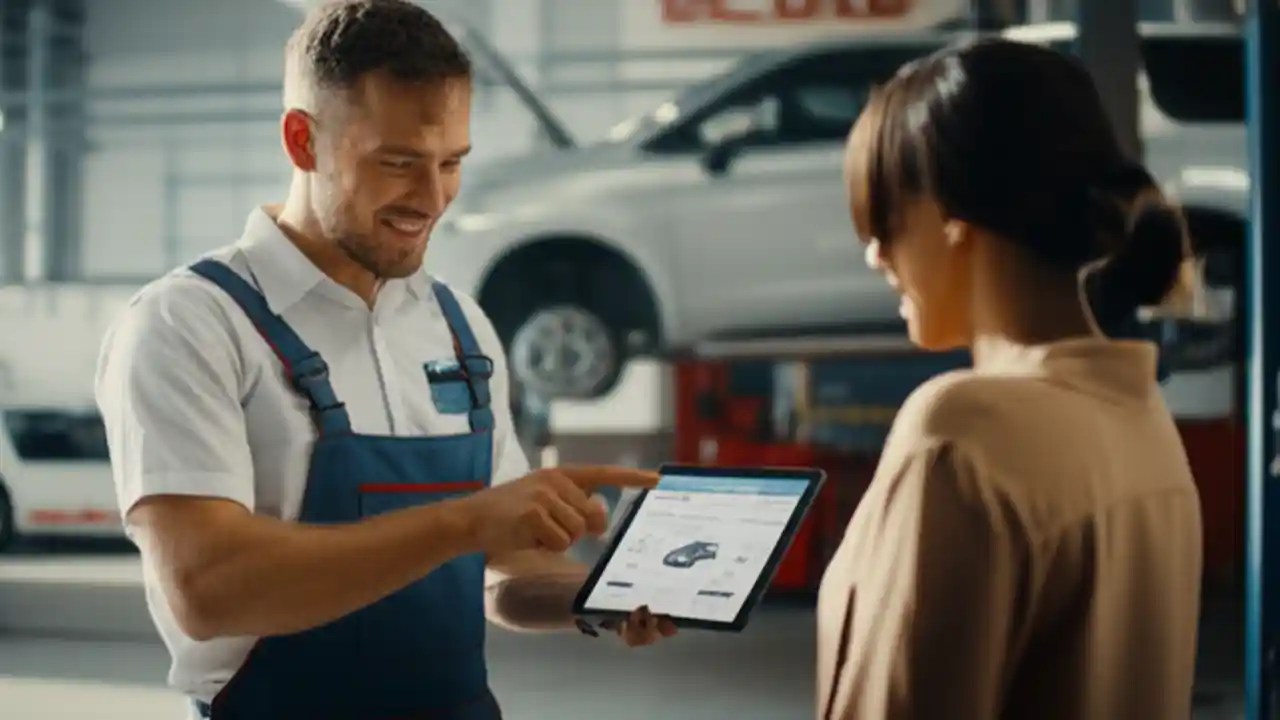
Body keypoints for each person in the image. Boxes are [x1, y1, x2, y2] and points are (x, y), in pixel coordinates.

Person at [94, 2, 674, 718]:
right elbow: (208, 589)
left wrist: (595, 600)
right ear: (302, 140)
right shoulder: (192, 324)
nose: (431, 199)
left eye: (452, 163)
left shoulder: (460, 328)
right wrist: (464, 522)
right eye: (398, 164)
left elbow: (499, 572)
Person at [816, 39, 1203, 720]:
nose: (875, 252)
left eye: (884, 216)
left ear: (947, 215)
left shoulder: (961, 434)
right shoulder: (1146, 426)